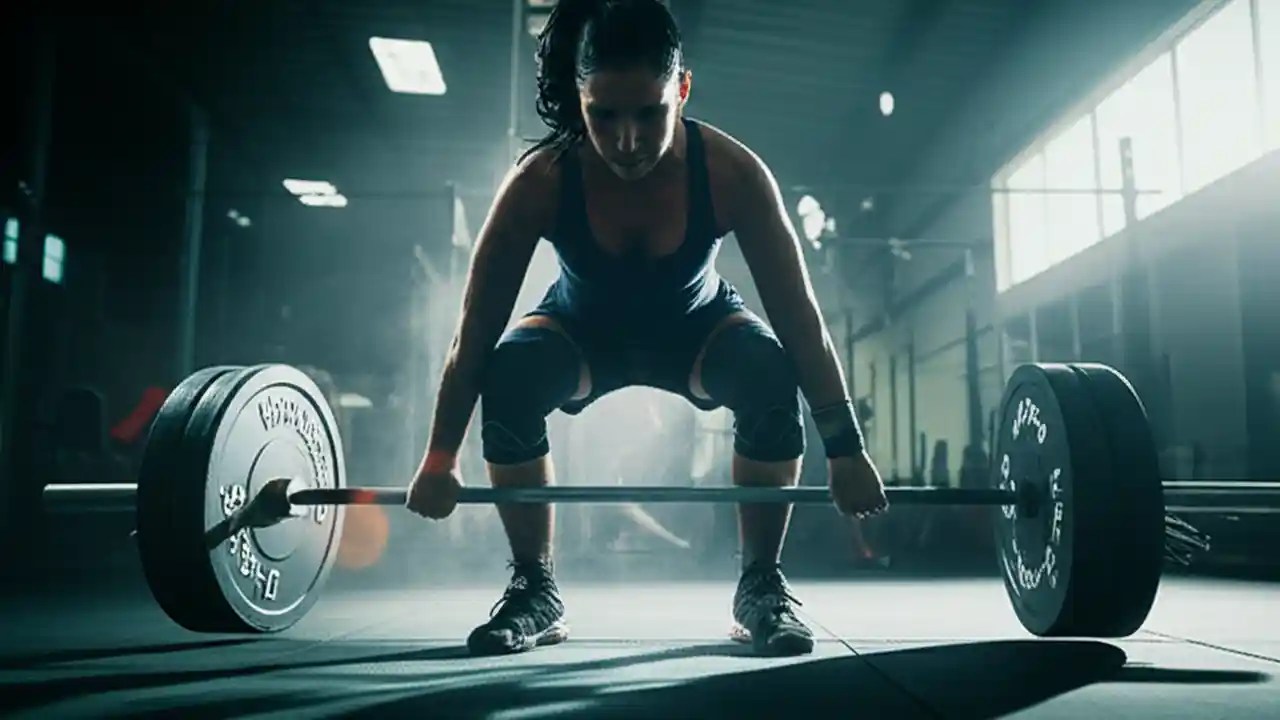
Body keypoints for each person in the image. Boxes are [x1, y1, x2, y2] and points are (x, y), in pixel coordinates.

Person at [405, 0, 888, 657]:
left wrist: (845, 449)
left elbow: (801, 320)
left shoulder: (733, 174)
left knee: (768, 369)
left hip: (698, 330)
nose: (626, 140)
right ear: (580, 99)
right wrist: (439, 457)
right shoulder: (541, 181)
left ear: (681, 90)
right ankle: (535, 588)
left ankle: (760, 585)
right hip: (580, 331)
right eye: (604, 115)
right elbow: (474, 333)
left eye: (648, 113)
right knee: (511, 370)